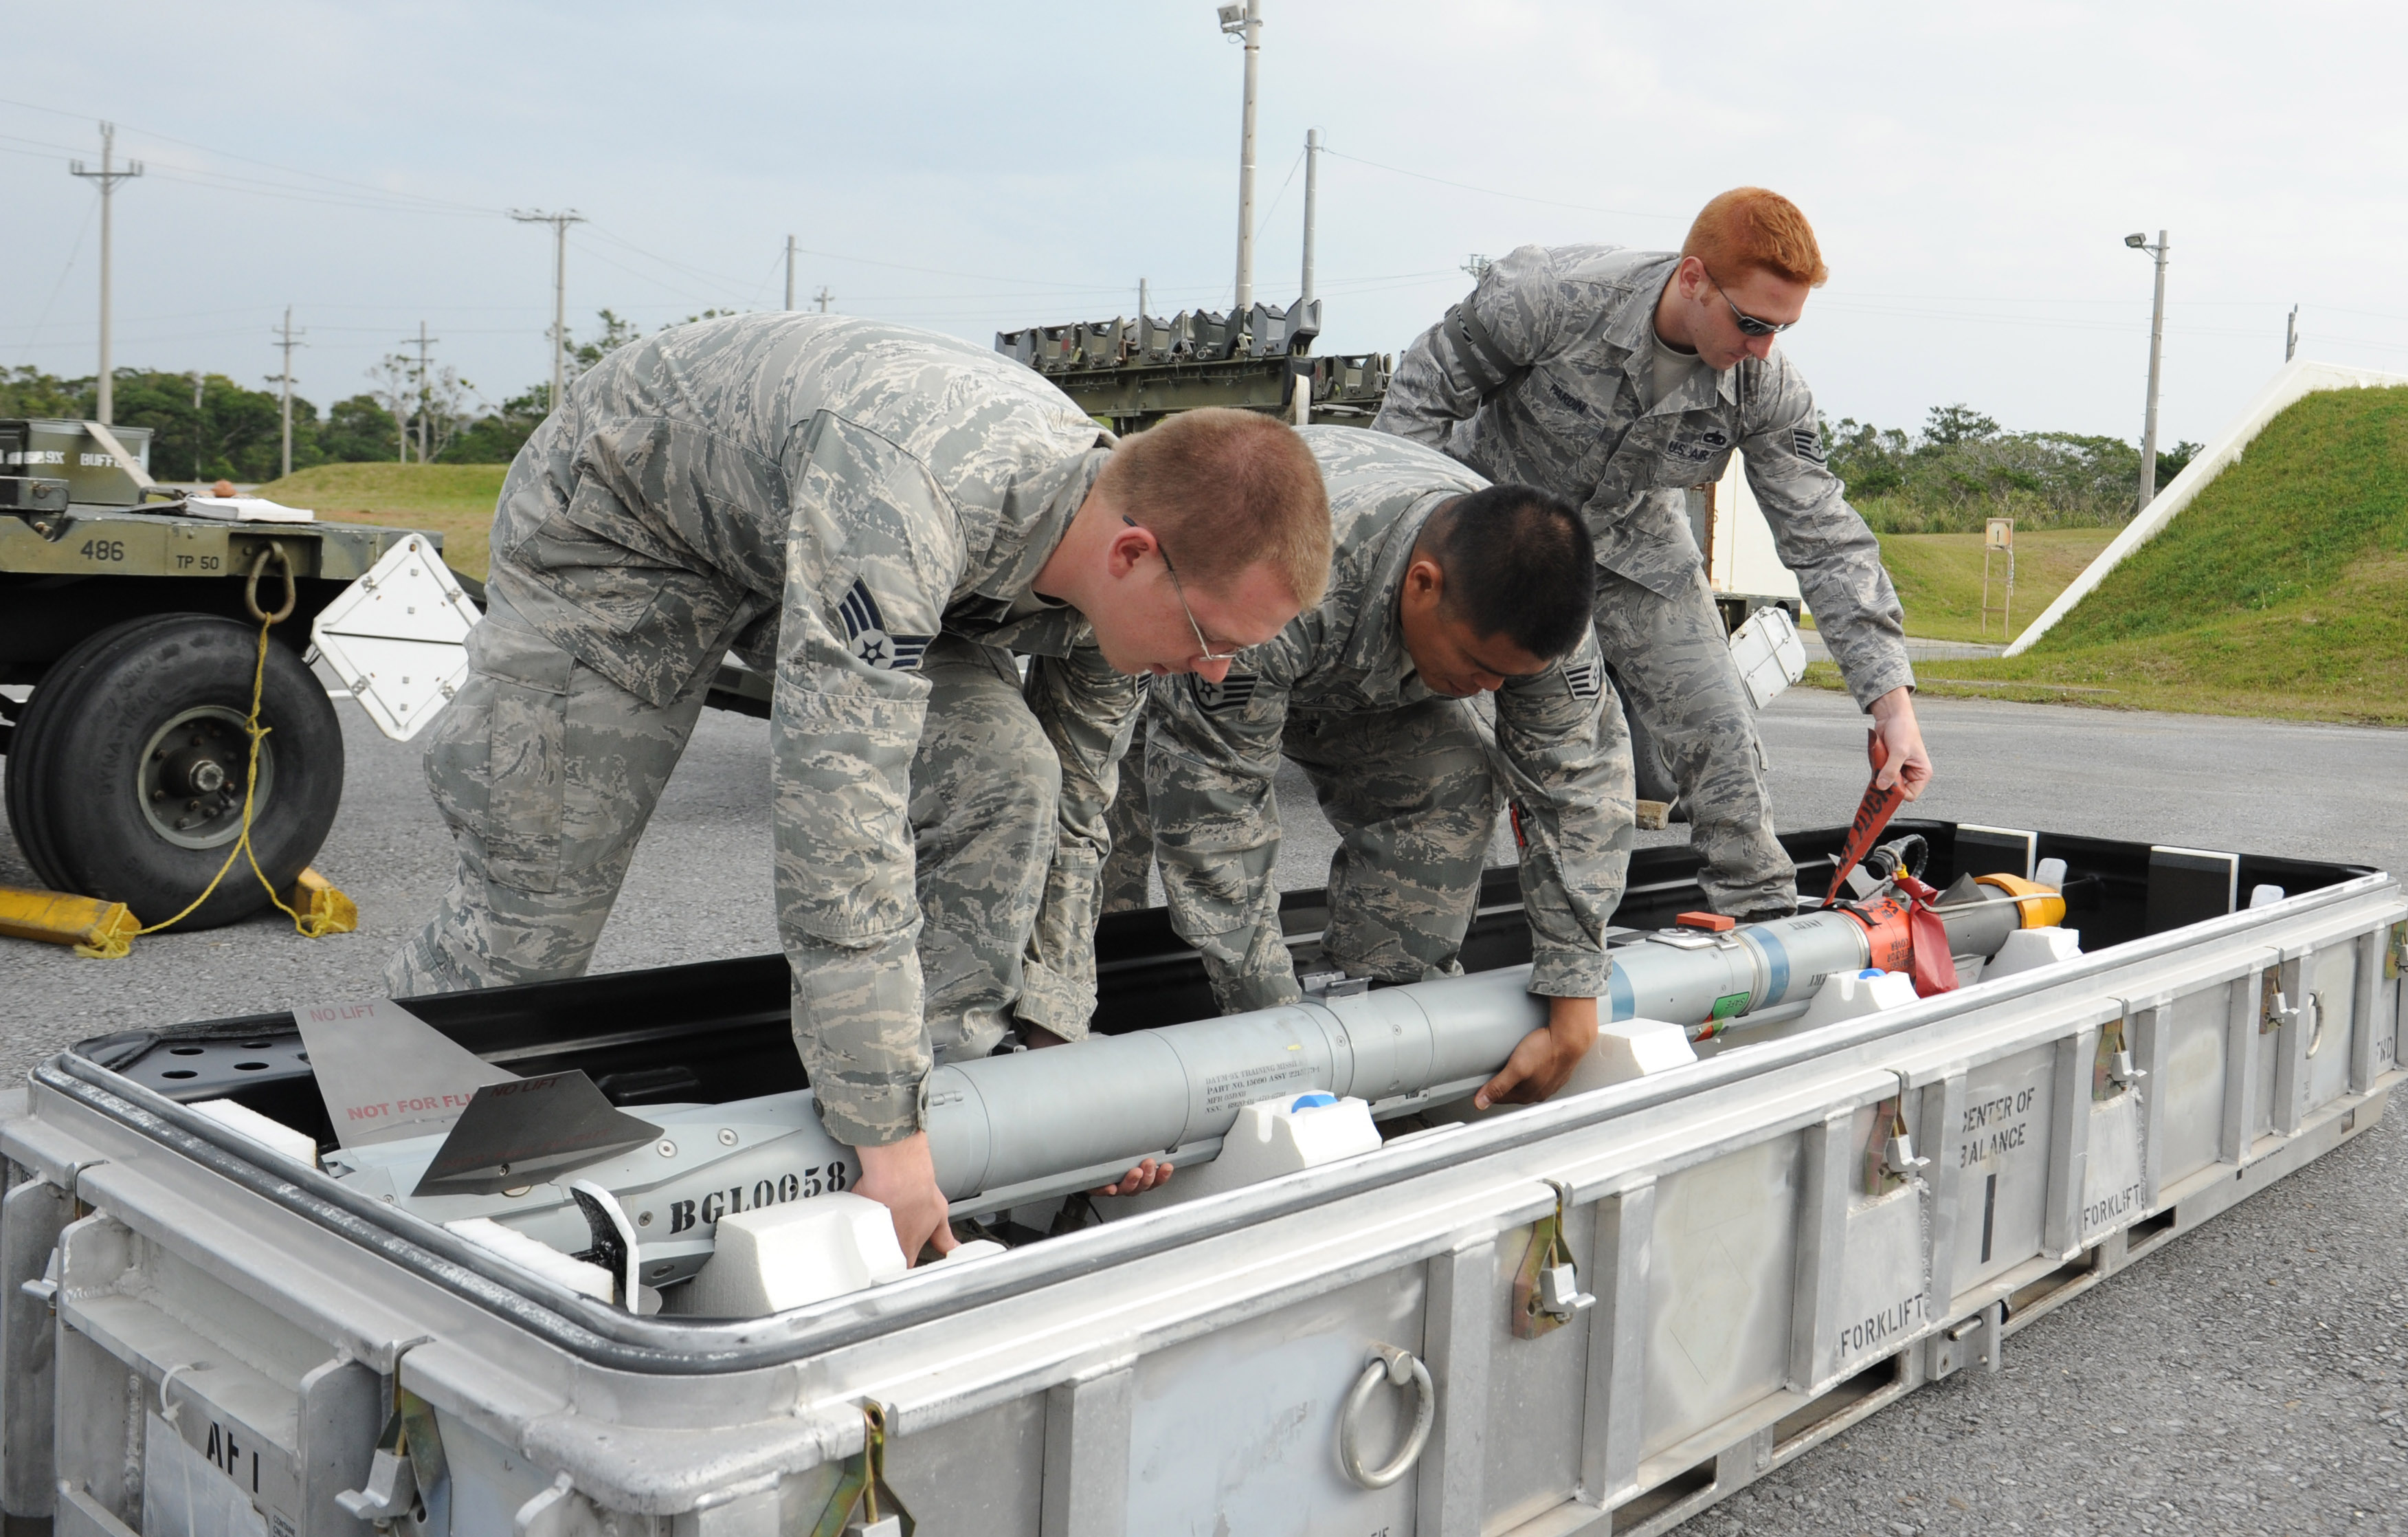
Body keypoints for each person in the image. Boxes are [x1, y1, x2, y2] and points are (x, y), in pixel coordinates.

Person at [383, 314, 1330, 1260]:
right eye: (1215, 643)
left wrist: (1056, 1047)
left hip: (813, 536)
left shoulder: (1120, 563)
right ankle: (378, 1152)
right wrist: (881, 1123)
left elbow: (1080, 814)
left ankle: (951, 1120)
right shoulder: (910, 496)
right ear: (1131, 558)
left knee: (1012, 777)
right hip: (632, 527)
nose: (1216, 676)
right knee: (539, 900)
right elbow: (840, 810)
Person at [1374, 187, 1930, 920]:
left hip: (1634, 550)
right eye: (1753, 323)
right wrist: (1410, 563)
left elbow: (1823, 534)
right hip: (1500, 542)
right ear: (1693, 278)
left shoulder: (1763, 383)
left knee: (1722, 736)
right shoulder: (1551, 298)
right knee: (1494, 765)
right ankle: (1435, 953)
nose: (1763, 348)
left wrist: (1891, 704)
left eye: (1783, 329)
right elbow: (1414, 408)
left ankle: (1760, 927)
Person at [1130, 425, 1631, 1109]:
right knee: (1107, 854)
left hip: (1368, 670)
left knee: (1451, 778)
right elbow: (1215, 808)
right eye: (1479, 666)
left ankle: (1389, 1028)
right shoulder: (1277, 576)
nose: (1490, 691)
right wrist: (1279, 1034)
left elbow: (1579, 788)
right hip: (1178, 647)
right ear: (1425, 585)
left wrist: (1576, 988)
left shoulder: (1537, 606)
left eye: (1507, 680)